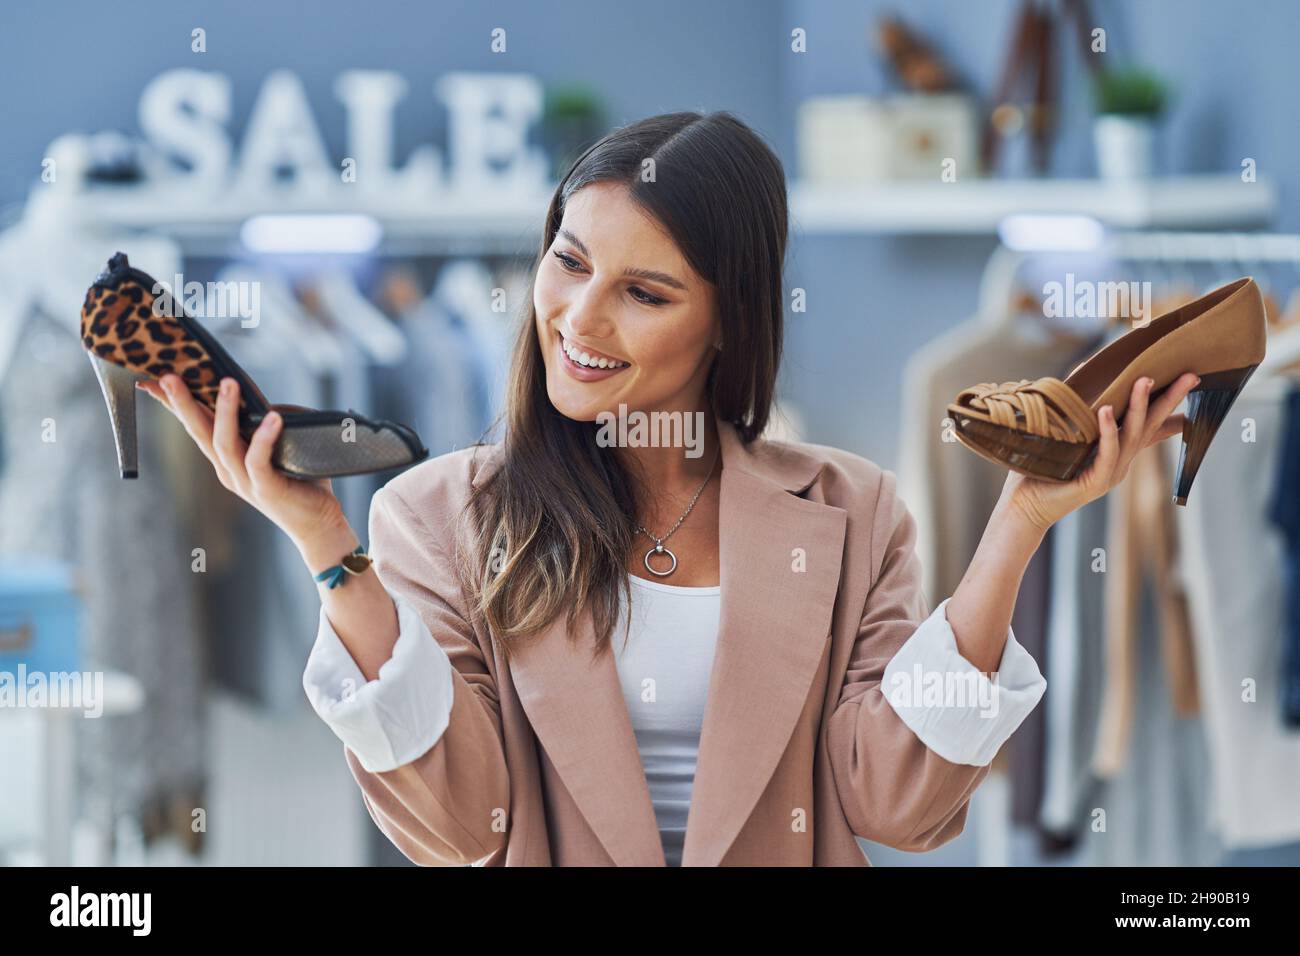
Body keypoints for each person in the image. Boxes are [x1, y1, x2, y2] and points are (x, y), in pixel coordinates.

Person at [139, 111, 1199, 866]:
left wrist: (1020, 519)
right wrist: (325, 538)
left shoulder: (848, 507)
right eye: (568, 260)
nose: (578, 318)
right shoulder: (433, 512)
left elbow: (894, 802)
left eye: (643, 291)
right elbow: (463, 822)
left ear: (728, 319)